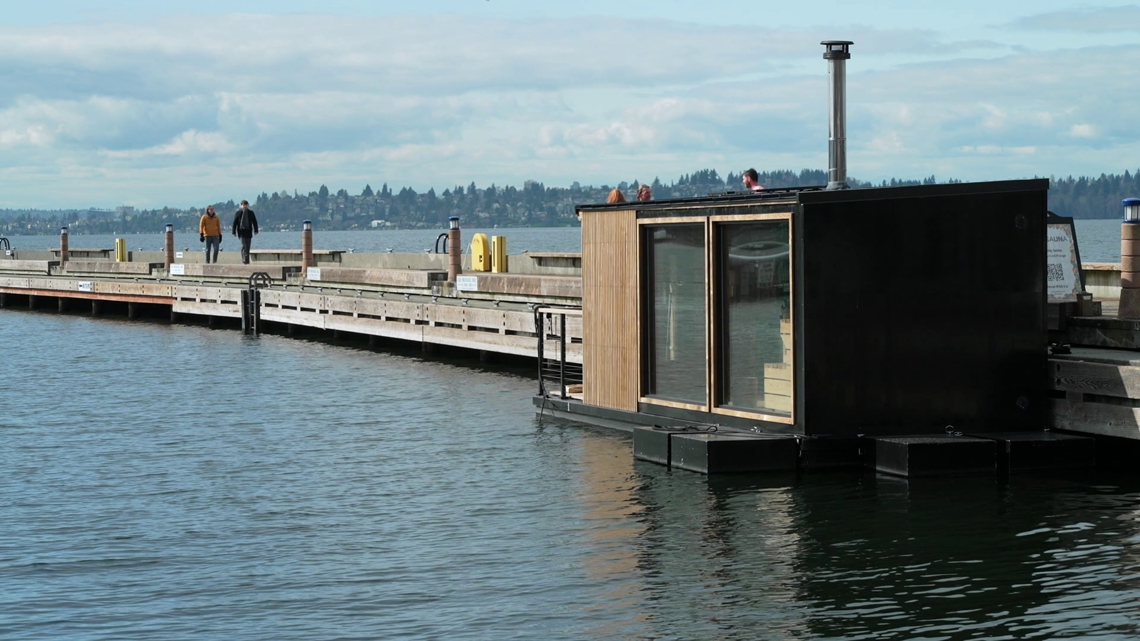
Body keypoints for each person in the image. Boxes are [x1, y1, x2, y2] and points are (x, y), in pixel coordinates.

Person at [231, 200, 259, 264]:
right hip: (241, 232)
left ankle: (247, 261)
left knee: (248, 247)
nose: (245, 206)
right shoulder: (238, 213)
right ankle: (244, 260)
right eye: (243, 205)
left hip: (248, 232)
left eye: (246, 205)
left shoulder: (251, 213)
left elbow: (254, 222)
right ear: (241, 205)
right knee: (244, 246)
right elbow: (234, 222)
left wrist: (256, 230)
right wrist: (233, 231)